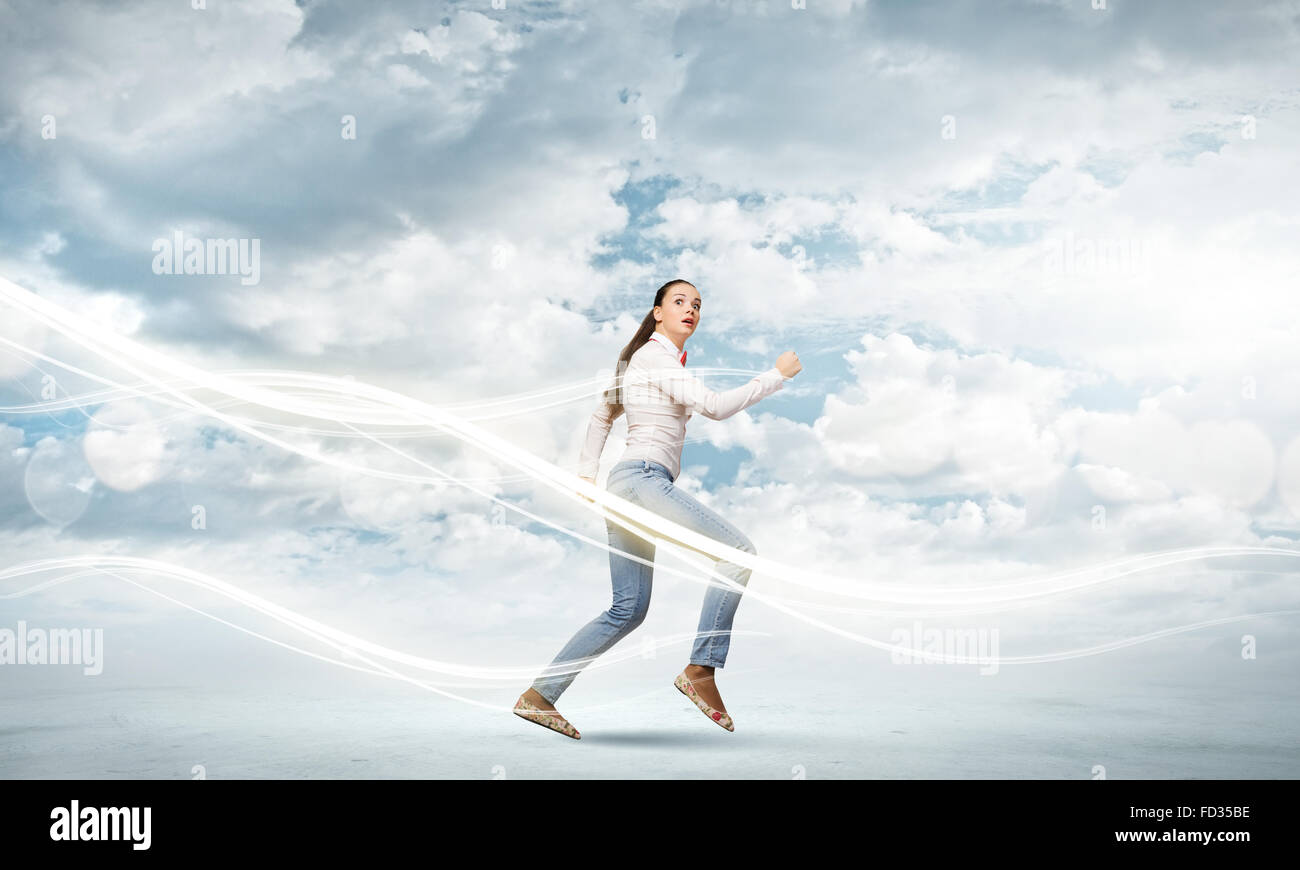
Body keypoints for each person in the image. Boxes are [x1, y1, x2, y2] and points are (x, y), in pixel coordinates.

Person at [513, 278, 802, 739]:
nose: (691, 310)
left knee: (628, 609)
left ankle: (539, 696)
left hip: (631, 485)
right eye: (680, 302)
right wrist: (777, 376)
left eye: (698, 305)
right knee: (737, 553)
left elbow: (601, 414)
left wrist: (589, 476)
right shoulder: (654, 357)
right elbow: (713, 406)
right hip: (642, 479)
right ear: (658, 312)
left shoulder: (646, 362)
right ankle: (700, 670)